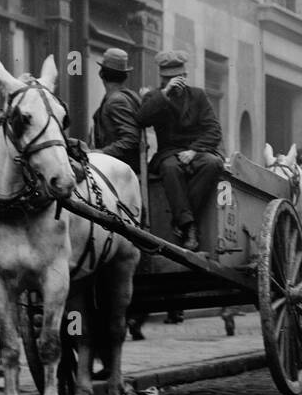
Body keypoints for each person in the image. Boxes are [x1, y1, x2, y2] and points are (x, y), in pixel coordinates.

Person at [136, 50, 223, 252]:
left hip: (196, 150)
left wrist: (193, 151)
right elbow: (141, 119)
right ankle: (189, 226)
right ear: (162, 78)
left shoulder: (198, 96)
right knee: (170, 168)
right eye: (168, 78)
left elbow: (214, 130)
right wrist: (164, 94)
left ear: (185, 76)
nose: (175, 82)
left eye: (179, 77)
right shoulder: (155, 97)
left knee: (213, 163)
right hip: (168, 152)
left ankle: (182, 219)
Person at [89, 48, 143, 177]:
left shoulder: (116, 101)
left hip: (117, 170)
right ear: (124, 76)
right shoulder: (125, 96)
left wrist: (102, 152)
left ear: (101, 74)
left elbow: (131, 139)